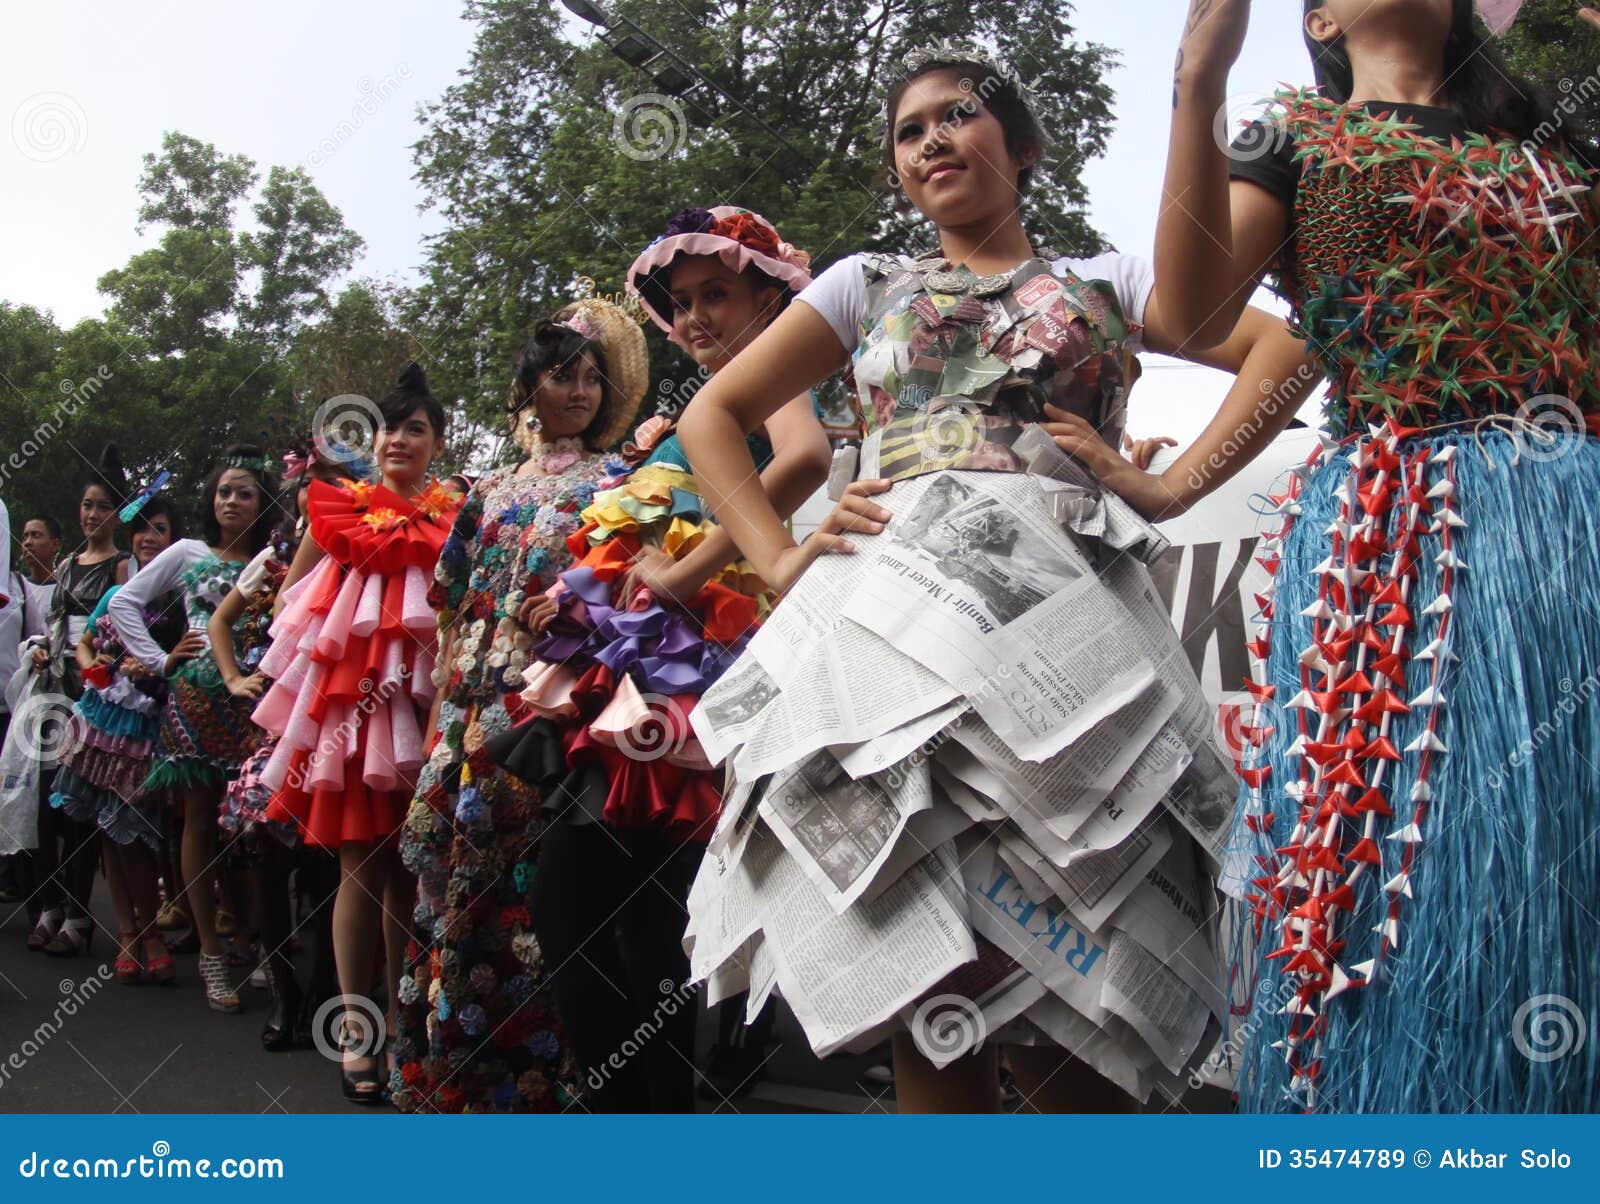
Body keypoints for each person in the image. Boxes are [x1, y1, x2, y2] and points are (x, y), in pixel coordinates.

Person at [675, 40, 1318, 1112]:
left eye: (958, 115)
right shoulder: (861, 285)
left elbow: (1282, 354)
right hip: (891, 661)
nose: (932, 140)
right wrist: (778, 554)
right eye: (908, 130)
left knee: (1082, 1007)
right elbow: (712, 416)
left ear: (1019, 147)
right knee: (940, 1002)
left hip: (1067, 651)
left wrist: (1171, 485)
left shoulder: (1110, 280)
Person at [1158, 0, 1600, 1113]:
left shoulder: (1551, 155)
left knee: (1565, 858)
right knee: (1424, 862)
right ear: (1318, 18)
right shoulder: (1294, 140)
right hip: (1411, 539)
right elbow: (1189, 304)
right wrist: (1197, 88)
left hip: (1574, 530)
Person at [501, 207, 830, 1110]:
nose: (692, 318)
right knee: (609, 911)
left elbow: (806, 457)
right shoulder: (714, 396)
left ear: (775, 298)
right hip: (643, 653)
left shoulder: (774, 371)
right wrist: (581, 601)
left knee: (617, 913)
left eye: (717, 294)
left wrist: (685, 574)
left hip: (689, 661)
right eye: (680, 302)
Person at [393, 287, 646, 1114]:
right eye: (560, 377)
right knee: (460, 878)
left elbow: (643, 595)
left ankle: (563, 1084)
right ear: (526, 391)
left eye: (590, 380)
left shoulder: (625, 481)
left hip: (563, 715)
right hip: (474, 711)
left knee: (548, 896)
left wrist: (588, 607)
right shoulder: (487, 489)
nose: (577, 393)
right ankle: (459, 1076)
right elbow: (452, 608)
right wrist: (441, 721)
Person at [251, 366, 461, 1103]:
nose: (399, 439)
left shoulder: (458, 517)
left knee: (411, 870)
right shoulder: (337, 509)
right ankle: (353, 1029)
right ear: (373, 439)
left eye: (415, 428)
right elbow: (286, 603)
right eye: (390, 427)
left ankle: (406, 1024)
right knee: (358, 868)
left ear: (438, 442)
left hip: (429, 704)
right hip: (353, 708)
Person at [109, 445, 278, 1010]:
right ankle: (210, 952)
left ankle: (255, 945)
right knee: (201, 824)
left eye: (245, 492)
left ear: (264, 502)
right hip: (196, 702)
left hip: (260, 701)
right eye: (224, 490)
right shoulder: (185, 551)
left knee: (254, 828)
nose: (231, 500)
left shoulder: (278, 557)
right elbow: (124, 604)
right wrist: (159, 660)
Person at [216, 444, 365, 1053]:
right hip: (288, 717)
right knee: (265, 848)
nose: (323, 492)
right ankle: (282, 990)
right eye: (314, 483)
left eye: (338, 481)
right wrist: (233, 678)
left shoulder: (376, 531)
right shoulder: (278, 557)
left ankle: (327, 996)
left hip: (354, 709)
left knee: (337, 860)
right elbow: (243, 619)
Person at [50, 492, 186, 982]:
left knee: (138, 833)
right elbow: (85, 643)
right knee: (109, 827)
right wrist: (95, 672)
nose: (151, 538)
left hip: (149, 728)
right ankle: (128, 933)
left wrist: (154, 673)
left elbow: (185, 665)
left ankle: (149, 929)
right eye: (144, 529)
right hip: (101, 723)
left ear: (175, 542)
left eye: (162, 530)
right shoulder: (117, 593)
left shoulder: (181, 599)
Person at [15, 448, 133, 956]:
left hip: (94, 697)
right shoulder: (64, 565)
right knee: (43, 804)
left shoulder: (123, 565)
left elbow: (128, 631)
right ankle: (48, 905)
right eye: (86, 505)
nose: (91, 514)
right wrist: (40, 651)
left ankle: (80, 918)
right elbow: (50, 628)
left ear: (117, 513)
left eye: (102, 506)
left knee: (77, 808)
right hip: (51, 693)